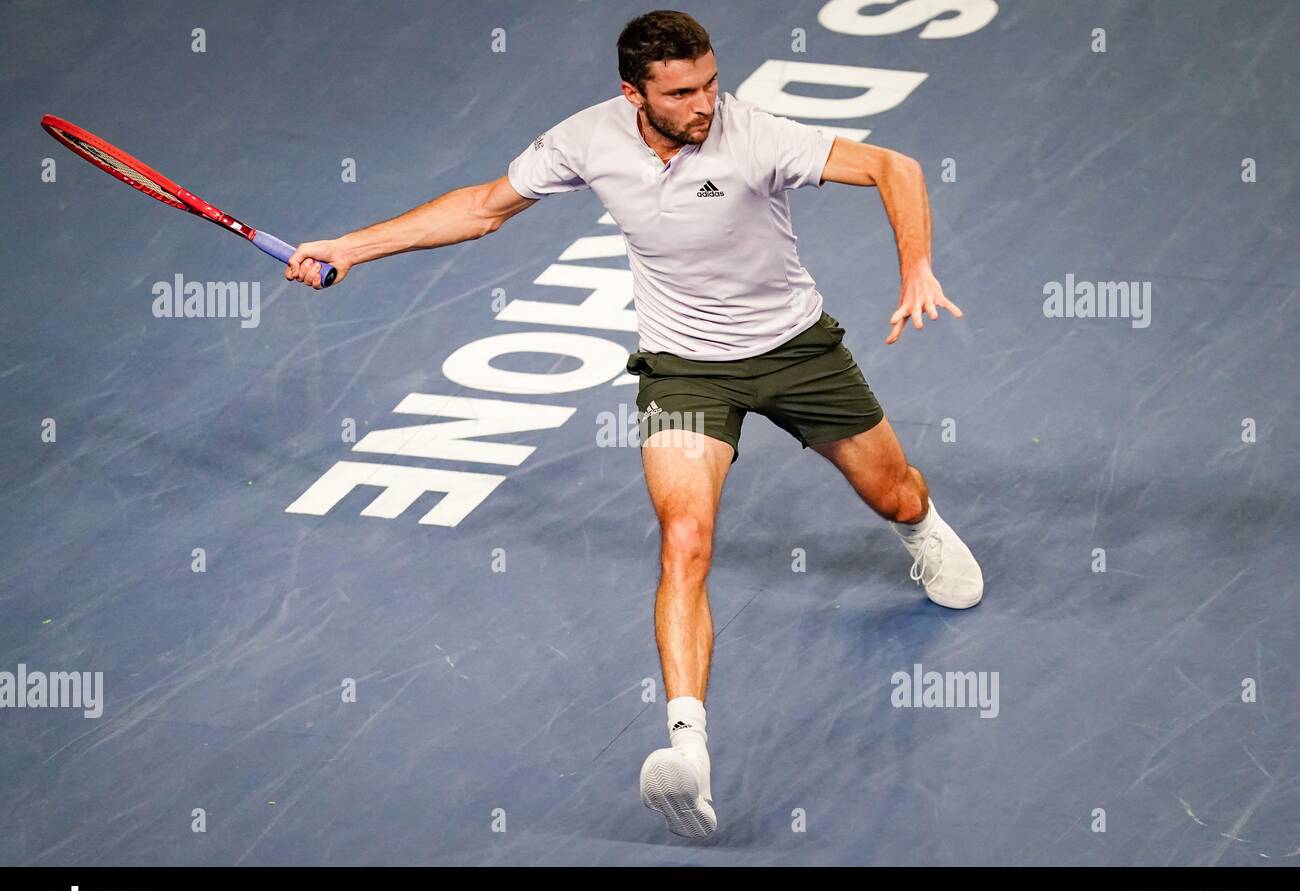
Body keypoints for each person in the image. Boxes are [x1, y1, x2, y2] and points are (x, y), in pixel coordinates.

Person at [285, 9, 982, 841]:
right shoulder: (587, 140)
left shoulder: (754, 134)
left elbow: (892, 166)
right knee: (685, 536)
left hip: (796, 352)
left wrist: (916, 267)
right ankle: (687, 749)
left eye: (711, 83)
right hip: (684, 368)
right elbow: (481, 208)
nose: (705, 104)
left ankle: (923, 530)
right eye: (682, 92)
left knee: (895, 494)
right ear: (634, 94)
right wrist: (354, 247)